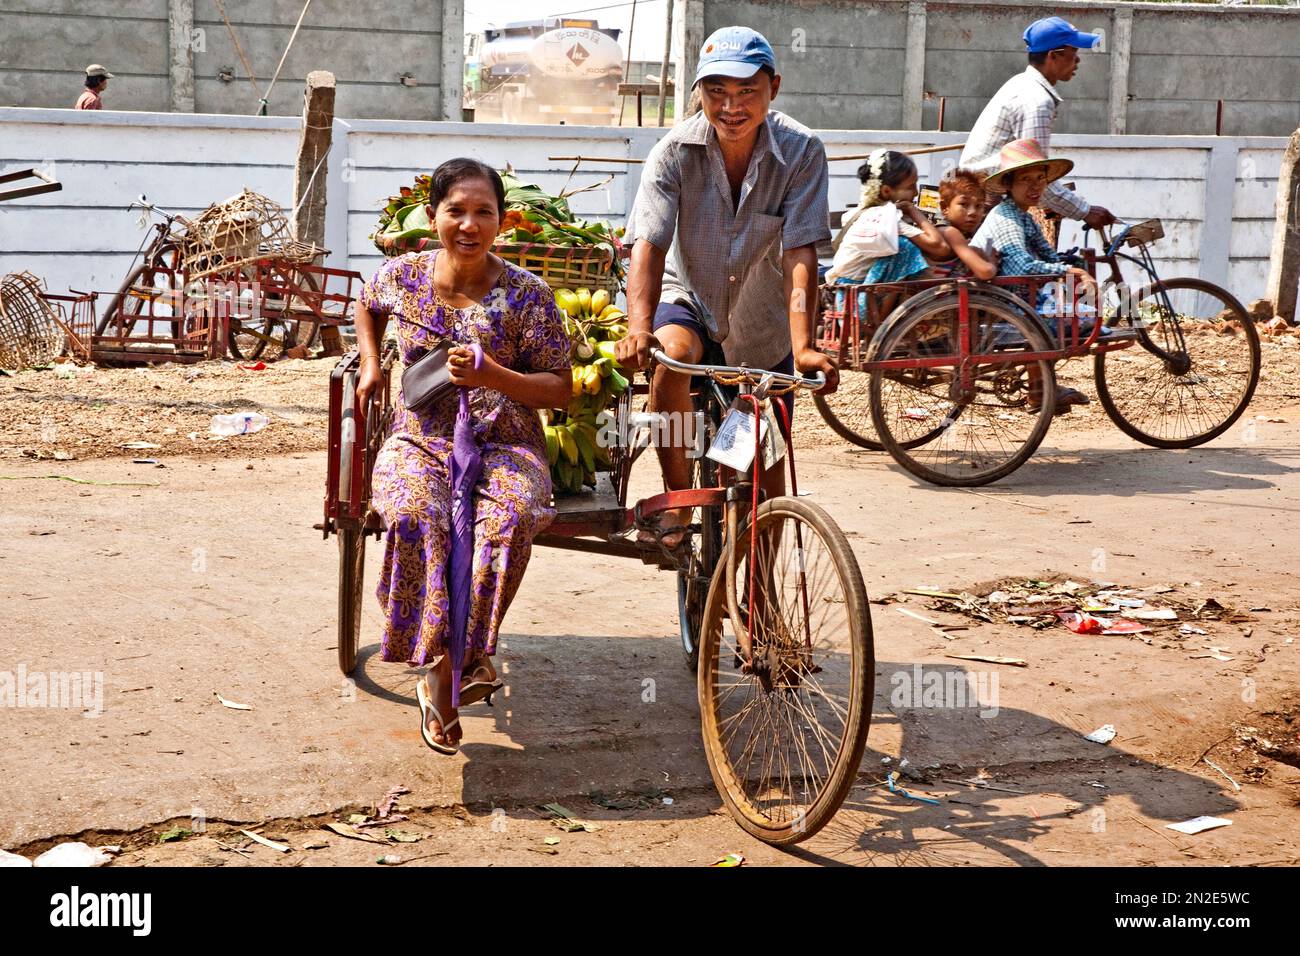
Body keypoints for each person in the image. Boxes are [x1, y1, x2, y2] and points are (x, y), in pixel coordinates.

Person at [353, 158, 573, 754]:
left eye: (484, 213)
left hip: (506, 442)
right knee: (412, 515)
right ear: (433, 217)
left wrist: (494, 374)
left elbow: (560, 386)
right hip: (421, 439)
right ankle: (440, 661)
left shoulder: (529, 295)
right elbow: (368, 304)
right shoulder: (401, 275)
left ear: (504, 222)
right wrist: (373, 364)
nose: (469, 225)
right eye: (456, 211)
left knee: (504, 521)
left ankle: (453, 669)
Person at [615, 26, 837, 553]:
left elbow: (800, 251)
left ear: (773, 88)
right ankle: (677, 496)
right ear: (699, 93)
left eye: (746, 92)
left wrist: (803, 346)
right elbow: (647, 243)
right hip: (688, 295)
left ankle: (757, 605)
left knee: (768, 484)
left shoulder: (802, 151)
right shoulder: (673, 152)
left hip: (764, 318)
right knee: (671, 359)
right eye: (717, 92)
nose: (730, 107)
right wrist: (638, 330)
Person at [971, 139, 1100, 413]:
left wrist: (1072, 265)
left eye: (1040, 178)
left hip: (1017, 301)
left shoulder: (1024, 216)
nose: (1035, 186)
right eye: (1025, 179)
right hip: (1002, 307)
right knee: (1084, 319)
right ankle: (1040, 389)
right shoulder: (1006, 217)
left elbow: (1046, 257)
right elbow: (1022, 266)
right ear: (1008, 184)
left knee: (1065, 310)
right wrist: (1068, 271)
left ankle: (1042, 388)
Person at [959, 17, 1115, 236]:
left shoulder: (1023, 85)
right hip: (988, 202)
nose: (1077, 60)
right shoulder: (1036, 102)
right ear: (1053, 56)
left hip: (988, 195)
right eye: (1073, 53)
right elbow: (1034, 176)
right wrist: (1085, 211)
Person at [827, 149, 948, 285]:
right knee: (905, 247)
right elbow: (940, 247)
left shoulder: (863, 212)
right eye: (910, 187)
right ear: (886, 191)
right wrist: (912, 209)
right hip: (855, 293)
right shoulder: (887, 220)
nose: (915, 192)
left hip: (841, 285)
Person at [933, 168, 999, 280]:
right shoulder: (949, 232)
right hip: (943, 296)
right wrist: (993, 262)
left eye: (978, 206)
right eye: (964, 204)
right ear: (944, 207)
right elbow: (985, 272)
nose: (973, 212)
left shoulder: (964, 234)